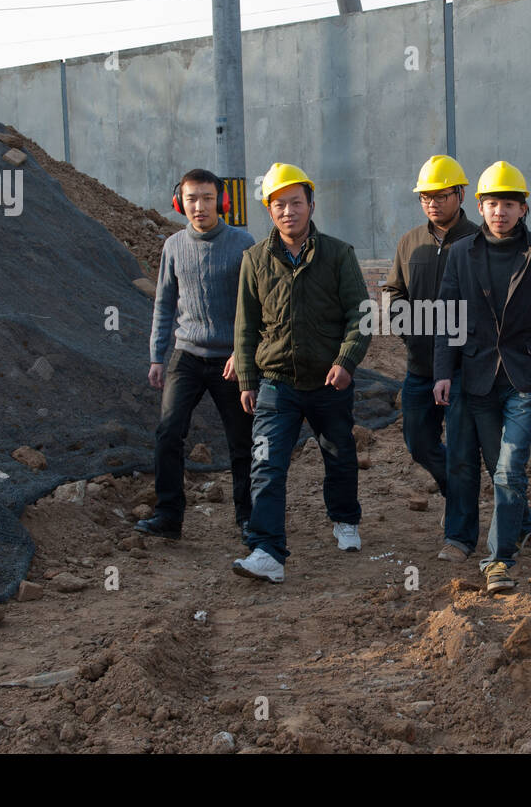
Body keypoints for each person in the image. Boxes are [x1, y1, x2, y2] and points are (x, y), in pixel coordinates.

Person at [231, 163, 371, 584]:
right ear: (269, 211)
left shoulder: (338, 254)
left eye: (296, 202)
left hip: (329, 381)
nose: (288, 211)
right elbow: (245, 324)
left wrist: (346, 362)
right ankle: (268, 551)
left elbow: (360, 315)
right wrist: (247, 379)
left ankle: (345, 519)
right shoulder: (254, 260)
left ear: (311, 204)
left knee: (339, 453)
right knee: (265, 463)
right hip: (277, 383)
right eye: (279, 204)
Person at [433, 161, 531, 594]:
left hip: (524, 376)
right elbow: (447, 319)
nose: (499, 211)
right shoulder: (461, 253)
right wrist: (442, 373)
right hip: (477, 375)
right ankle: (523, 521)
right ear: (481, 206)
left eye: (509, 203)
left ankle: (499, 560)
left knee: (508, 469)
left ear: (523, 208)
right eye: (492, 203)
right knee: (496, 466)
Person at [138, 168, 254, 542]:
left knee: (241, 441)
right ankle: (169, 516)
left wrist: (243, 352)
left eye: (207, 198)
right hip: (186, 355)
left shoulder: (243, 244)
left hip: (230, 360)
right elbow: (164, 303)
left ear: (222, 202)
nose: (199, 206)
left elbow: (254, 306)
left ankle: (248, 517)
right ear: (179, 203)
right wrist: (158, 356)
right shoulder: (172, 246)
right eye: (191, 199)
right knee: (168, 433)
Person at [383, 155, 480, 560]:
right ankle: (459, 494)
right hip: (421, 366)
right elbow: (393, 291)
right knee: (418, 443)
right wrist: (407, 327)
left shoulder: (478, 240)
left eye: (440, 195)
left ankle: (458, 537)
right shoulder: (410, 242)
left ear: (460, 194)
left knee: (461, 452)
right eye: (425, 197)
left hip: (465, 370)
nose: (432, 204)